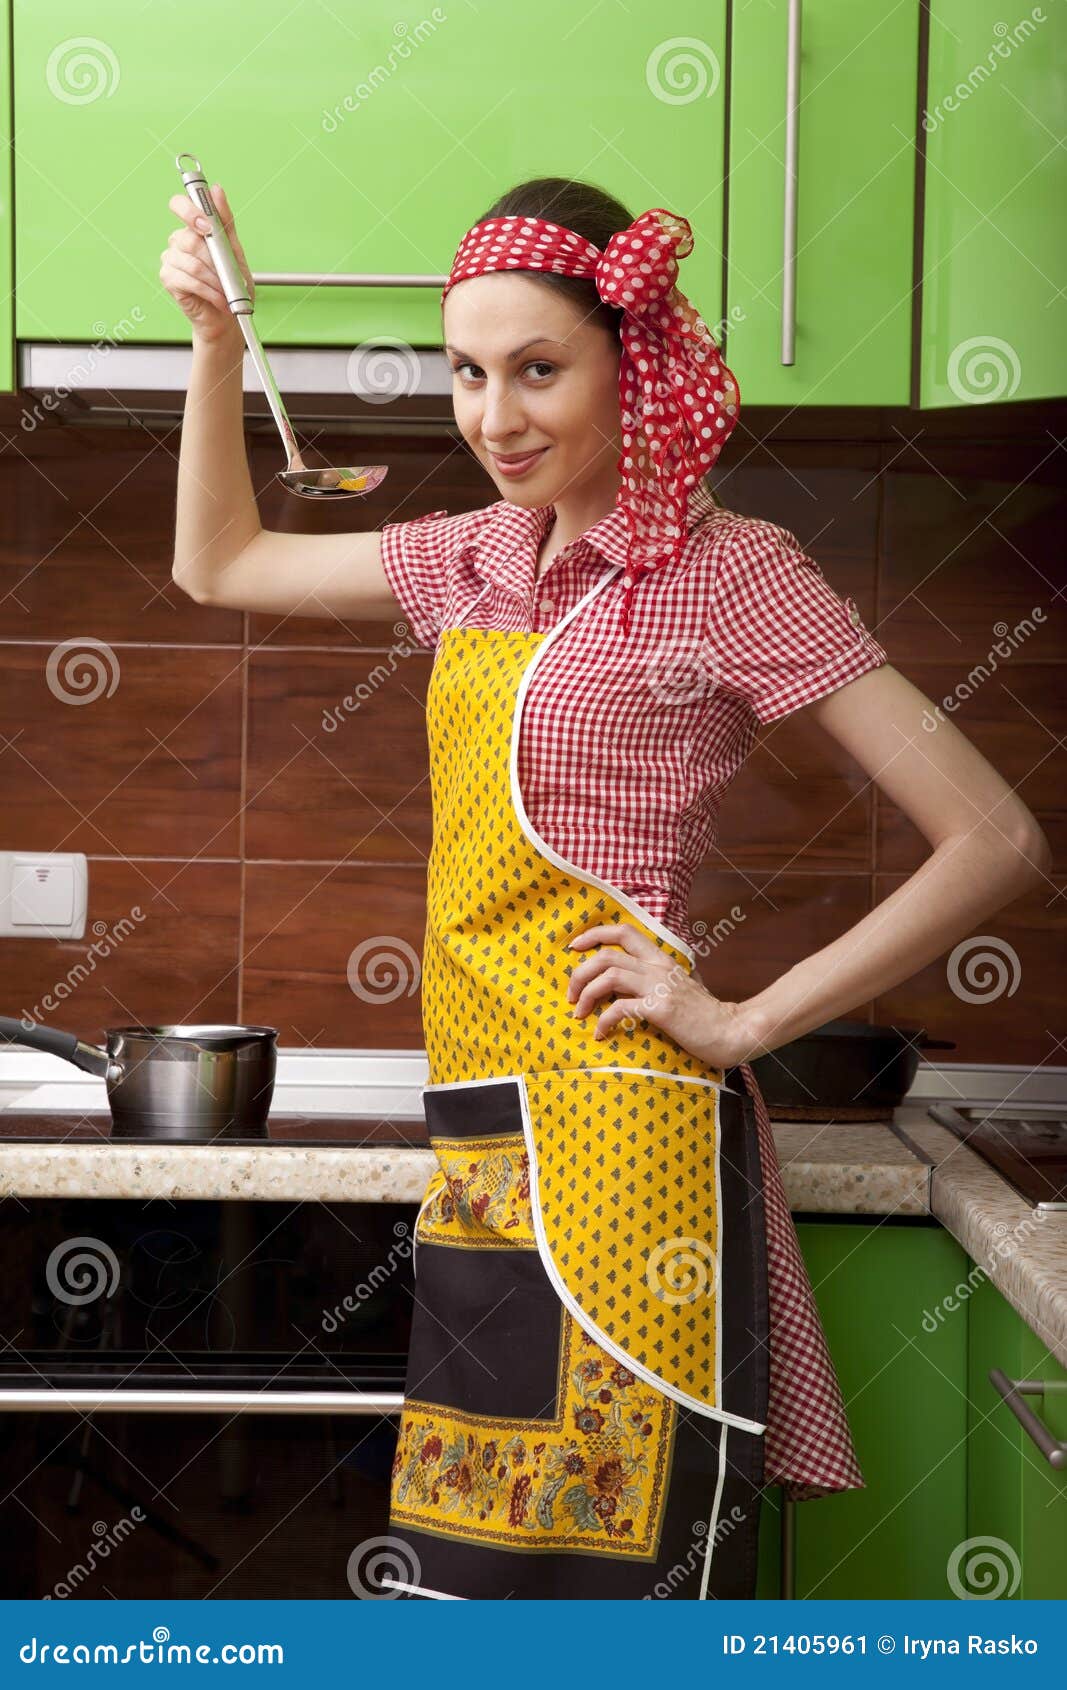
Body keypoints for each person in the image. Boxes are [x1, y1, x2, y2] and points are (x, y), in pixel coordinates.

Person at [164, 176, 1052, 1600]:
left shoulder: (732, 573)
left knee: (615, 1605)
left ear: (632, 367)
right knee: (467, 1598)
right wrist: (215, 342)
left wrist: (744, 1018)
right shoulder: (475, 557)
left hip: (635, 1164)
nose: (495, 417)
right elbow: (220, 562)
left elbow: (997, 842)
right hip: (484, 1147)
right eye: (467, 372)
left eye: (537, 369)